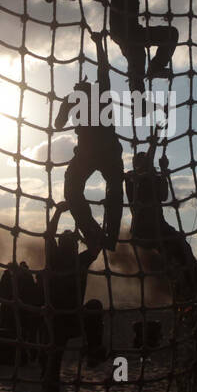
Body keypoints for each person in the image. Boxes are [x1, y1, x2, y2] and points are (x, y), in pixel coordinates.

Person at [54, 31, 123, 253]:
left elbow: (57, 124)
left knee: (73, 190)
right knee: (114, 190)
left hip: (88, 151)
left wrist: (66, 103)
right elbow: (104, 69)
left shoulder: (77, 99)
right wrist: (99, 44)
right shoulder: (101, 91)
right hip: (109, 149)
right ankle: (109, 237)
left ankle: (93, 233)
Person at [39, 201, 107, 392]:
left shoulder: (57, 259)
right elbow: (96, 247)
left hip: (58, 319)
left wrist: (59, 212)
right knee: (94, 307)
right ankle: (94, 349)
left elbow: (49, 235)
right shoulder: (77, 260)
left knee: (53, 364)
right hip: (68, 318)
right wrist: (82, 220)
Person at [124, 145, 197, 303]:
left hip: (159, 226)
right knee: (168, 261)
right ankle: (187, 291)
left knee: (183, 250)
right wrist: (153, 145)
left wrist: (163, 171)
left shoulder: (153, 178)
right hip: (143, 230)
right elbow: (140, 175)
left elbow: (163, 195)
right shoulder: (131, 178)